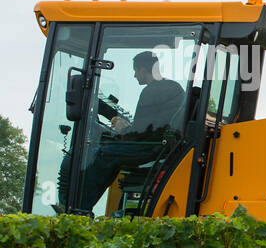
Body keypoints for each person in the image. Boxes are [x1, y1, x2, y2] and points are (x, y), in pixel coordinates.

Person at [69, 51, 186, 211]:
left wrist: (123, 129)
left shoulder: (151, 91)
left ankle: (79, 206)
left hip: (149, 147)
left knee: (102, 153)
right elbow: (148, 125)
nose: (134, 76)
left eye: (135, 71)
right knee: (111, 150)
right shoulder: (174, 87)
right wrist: (128, 128)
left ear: (143, 70)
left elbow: (138, 133)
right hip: (159, 144)